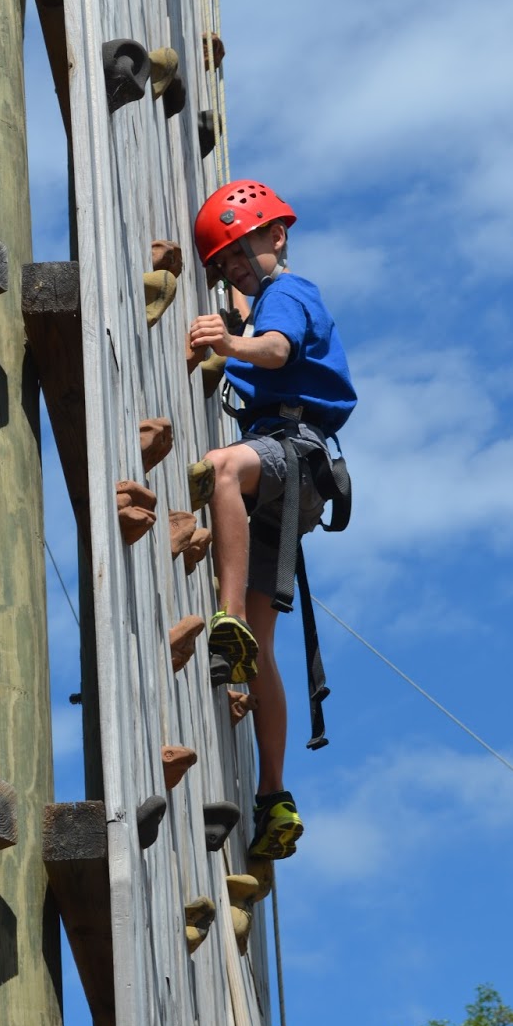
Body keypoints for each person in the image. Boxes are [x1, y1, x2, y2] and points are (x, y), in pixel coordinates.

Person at [188, 179, 356, 860]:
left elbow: (277, 350)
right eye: (220, 261)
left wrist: (228, 345)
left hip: (287, 453)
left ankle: (225, 619)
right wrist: (233, 317)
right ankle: (274, 797)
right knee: (263, 650)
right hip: (288, 478)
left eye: (238, 251)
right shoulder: (256, 299)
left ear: (275, 238)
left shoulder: (286, 293)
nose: (232, 267)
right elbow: (249, 316)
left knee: (222, 466)